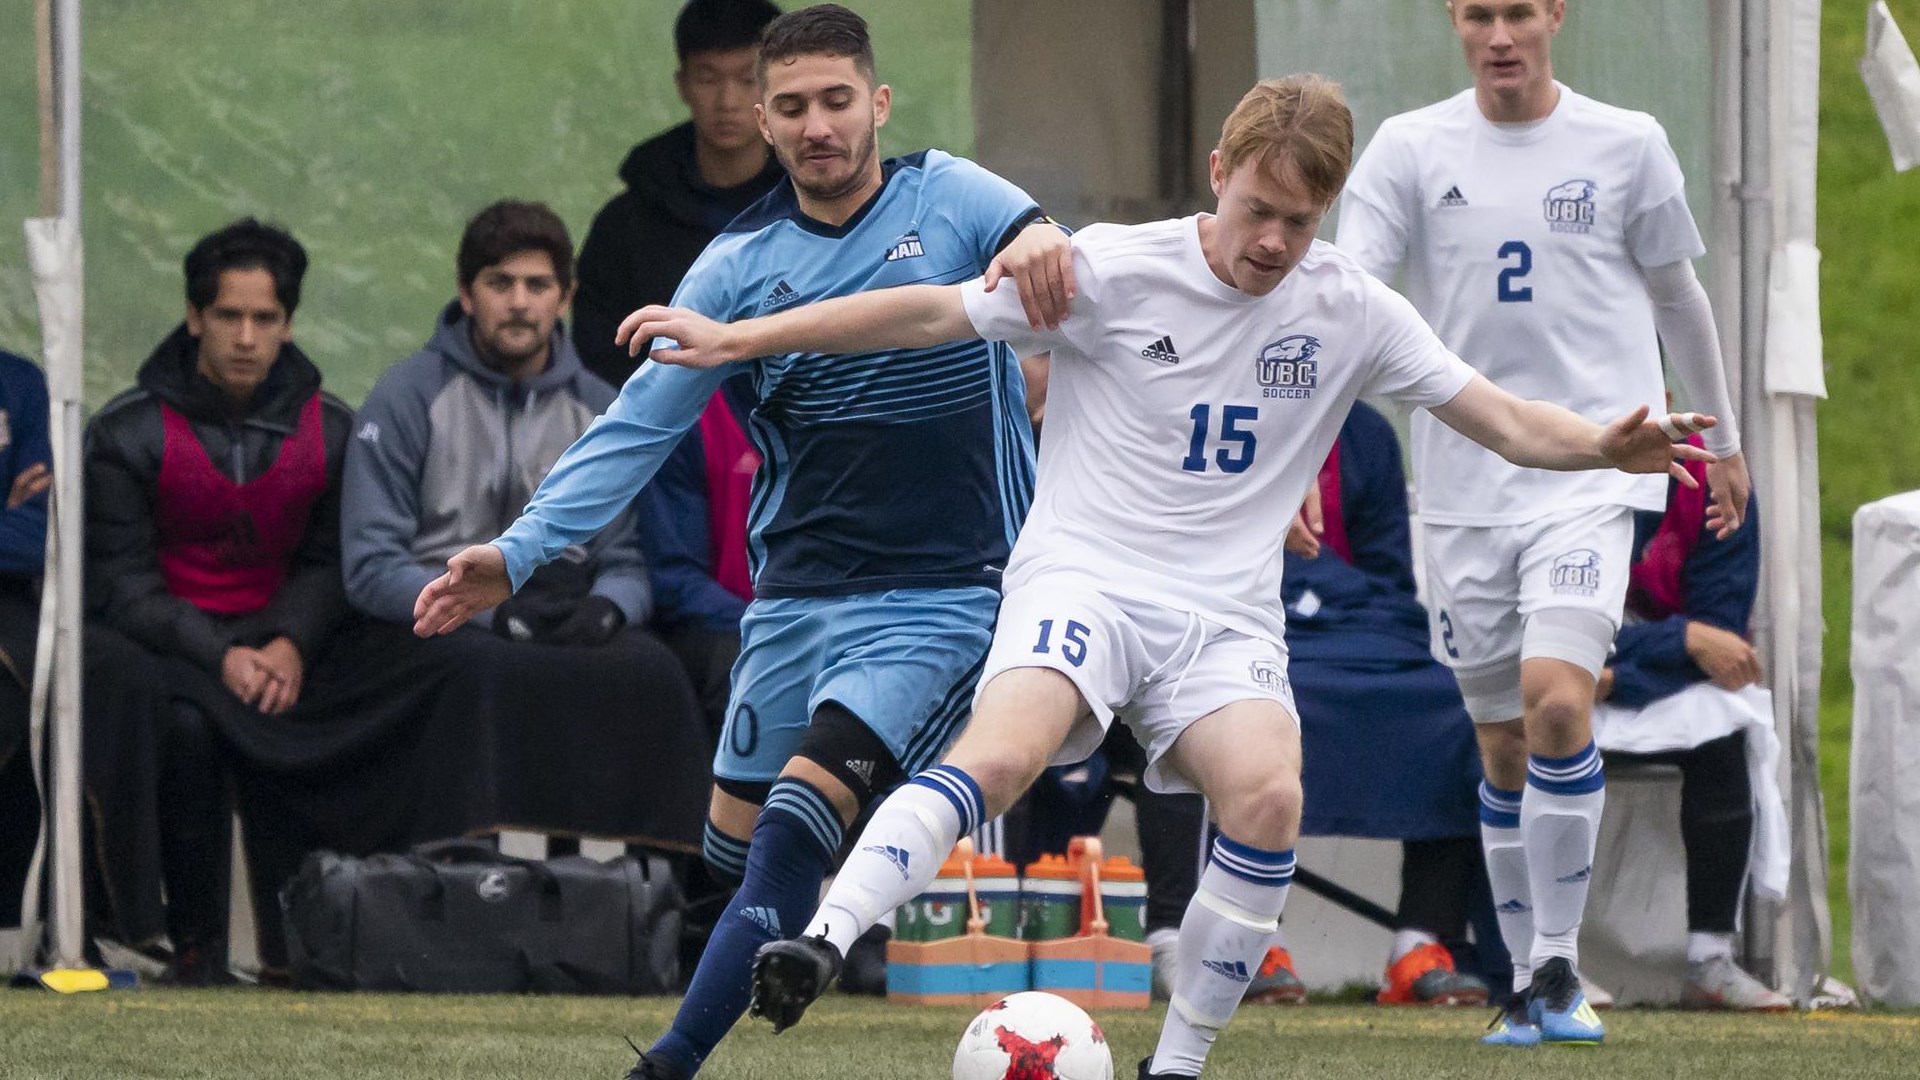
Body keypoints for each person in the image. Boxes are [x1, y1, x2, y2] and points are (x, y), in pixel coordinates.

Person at [609, 74, 1717, 1080]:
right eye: (1260, 212)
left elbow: (1507, 418)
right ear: (1218, 174)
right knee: (1001, 754)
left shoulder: (1353, 309)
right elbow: (926, 311)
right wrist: (742, 340)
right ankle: (827, 935)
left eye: (1302, 221)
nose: (1275, 242)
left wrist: (1603, 446)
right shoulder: (1112, 268)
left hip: (1222, 618)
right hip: (1084, 580)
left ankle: (1174, 1068)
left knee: (1271, 794)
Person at [411, 8, 1073, 1078]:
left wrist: (1042, 236)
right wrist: (515, 554)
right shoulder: (733, 270)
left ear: (880, 103)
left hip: (946, 598)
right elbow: (632, 434)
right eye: (796, 107)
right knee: (734, 851)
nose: (820, 125)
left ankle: (666, 1064)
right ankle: (780, 918)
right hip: (795, 604)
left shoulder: (951, 195)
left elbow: (1045, 245)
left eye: (839, 101)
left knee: (796, 826)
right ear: (762, 121)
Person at [1334, 0, 1751, 1045]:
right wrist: (1307, 445)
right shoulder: (1410, 149)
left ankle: (1558, 971)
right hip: (1465, 486)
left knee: (1556, 700)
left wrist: (1729, 442)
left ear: (1555, 14)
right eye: (1479, 14)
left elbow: (1678, 298)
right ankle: (1527, 982)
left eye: (1519, 10)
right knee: (1502, 744)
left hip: (1592, 472)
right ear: (1456, 21)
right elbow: (1344, 301)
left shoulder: (1627, 144)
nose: (1500, 34)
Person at [340, 198, 708, 859]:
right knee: (482, 670)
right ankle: (457, 879)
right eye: (499, 283)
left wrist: (608, 609)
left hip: (565, 605)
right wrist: (478, 613)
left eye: (537, 285)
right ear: (465, 293)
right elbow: (369, 567)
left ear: (564, 296)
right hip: (441, 618)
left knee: (656, 674)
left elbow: (626, 557)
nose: (519, 302)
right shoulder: (404, 396)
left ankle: (663, 904)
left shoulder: (602, 407)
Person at [83, 220, 356, 982]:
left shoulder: (333, 431)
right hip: (173, 651)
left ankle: (316, 943)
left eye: (264, 319)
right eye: (228, 316)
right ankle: (196, 944)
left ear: (288, 324)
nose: (245, 337)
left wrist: (290, 644)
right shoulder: (124, 433)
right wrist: (220, 654)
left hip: (285, 651)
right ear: (194, 316)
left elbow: (336, 564)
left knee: (377, 688)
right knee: (187, 725)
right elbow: (120, 586)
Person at [1591, 440, 1790, 1011]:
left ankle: (1709, 957)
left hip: (1642, 678)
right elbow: (1529, 613)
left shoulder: (1716, 478)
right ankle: (1539, 957)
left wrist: (1620, 672)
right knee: (1520, 728)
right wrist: (1678, 639)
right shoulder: (1550, 466)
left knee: (1722, 730)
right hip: (1561, 671)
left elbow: (1720, 634)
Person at [573, 0, 786, 389]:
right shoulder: (625, 225)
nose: (727, 101)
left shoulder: (811, 209)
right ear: (682, 84)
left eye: (747, 78)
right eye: (708, 78)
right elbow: (598, 355)